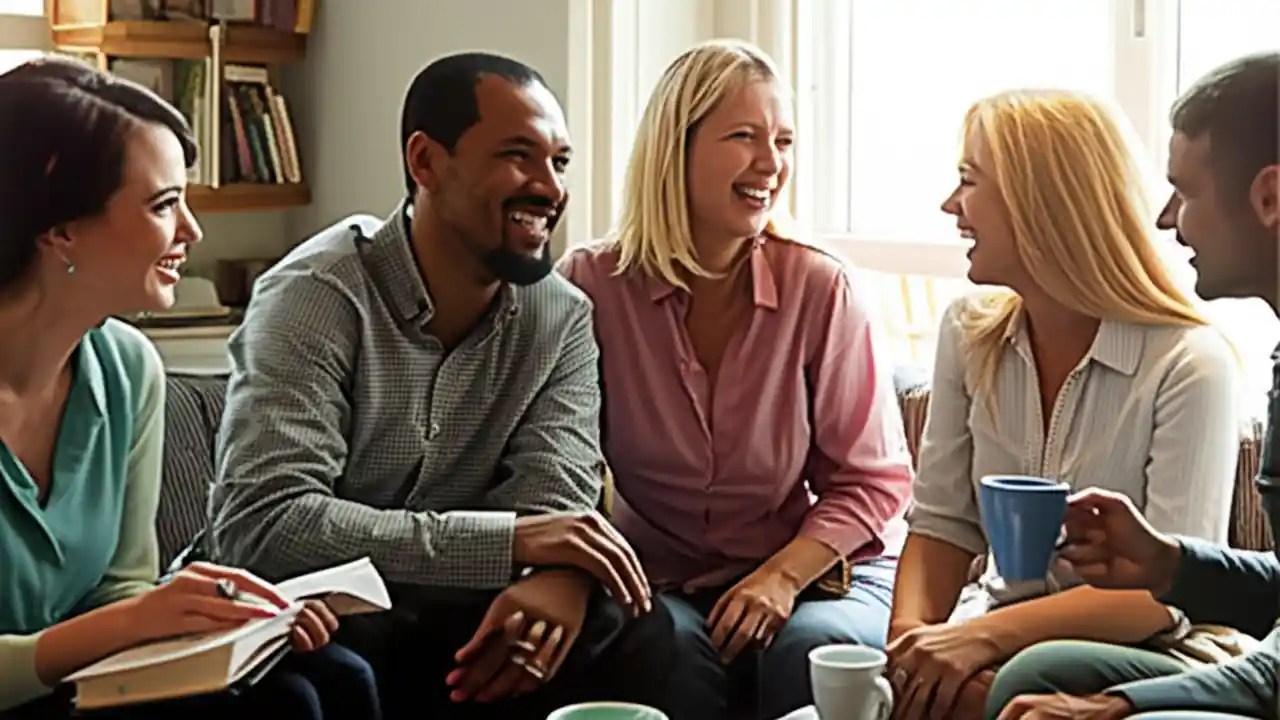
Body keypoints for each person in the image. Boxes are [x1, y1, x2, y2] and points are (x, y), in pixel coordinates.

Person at [205, 51, 675, 720]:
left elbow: (555, 502)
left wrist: (560, 576)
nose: (549, 187)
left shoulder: (562, 317)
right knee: (326, 674)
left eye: (560, 162)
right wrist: (510, 544)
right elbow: (266, 523)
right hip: (322, 612)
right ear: (425, 162)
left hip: (463, 616)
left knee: (632, 627)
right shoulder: (315, 296)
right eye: (518, 156)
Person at [0, 57, 379, 720]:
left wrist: (218, 616)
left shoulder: (127, 371)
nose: (191, 232)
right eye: (163, 204)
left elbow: (120, 591)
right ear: (58, 228)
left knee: (328, 677)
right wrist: (131, 624)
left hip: (79, 689)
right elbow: (115, 623)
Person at [557, 39, 913, 720]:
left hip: (821, 570)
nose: (771, 163)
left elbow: (874, 482)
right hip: (664, 578)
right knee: (666, 647)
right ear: (676, 148)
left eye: (783, 140)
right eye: (744, 136)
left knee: (813, 648)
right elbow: (557, 456)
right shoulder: (590, 285)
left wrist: (779, 579)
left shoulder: (821, 288)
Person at [884, 88, 1244, 720]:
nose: (950, 206)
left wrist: (978, 639)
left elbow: (1163, 597)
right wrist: (911, 645)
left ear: (1038, 203)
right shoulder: (968, 333)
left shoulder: (1191, 362)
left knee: (1019, 679)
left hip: (1159, 651)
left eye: (968, 182)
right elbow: (941, 525)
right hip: (995, 634)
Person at [990, 51, 1280, 720]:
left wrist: (1119, 704)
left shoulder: (1192, 361)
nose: (1166, 219)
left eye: (1186, 191)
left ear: (1269, 198)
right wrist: (1170, 565)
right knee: (1034, 679)